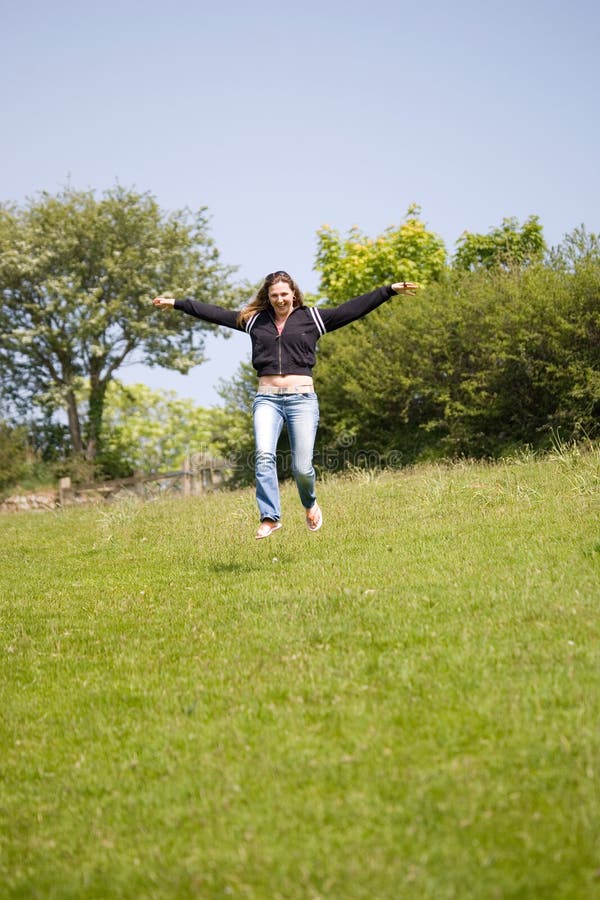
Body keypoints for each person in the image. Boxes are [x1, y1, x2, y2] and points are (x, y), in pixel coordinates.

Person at [153, 272, 418, 539]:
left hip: (302, 400)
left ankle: (310, 502)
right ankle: (270, 516)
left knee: (302, 468)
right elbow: (215, 313)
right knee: (264, 456)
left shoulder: (312, 318)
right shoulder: (254, 320)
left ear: (294, 294)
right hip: (267, 399)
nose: (280, 299)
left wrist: (389, 290)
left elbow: (352, 309)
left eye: (284, 294)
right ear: (267, 298)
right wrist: (177, 303)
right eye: (274, 295)